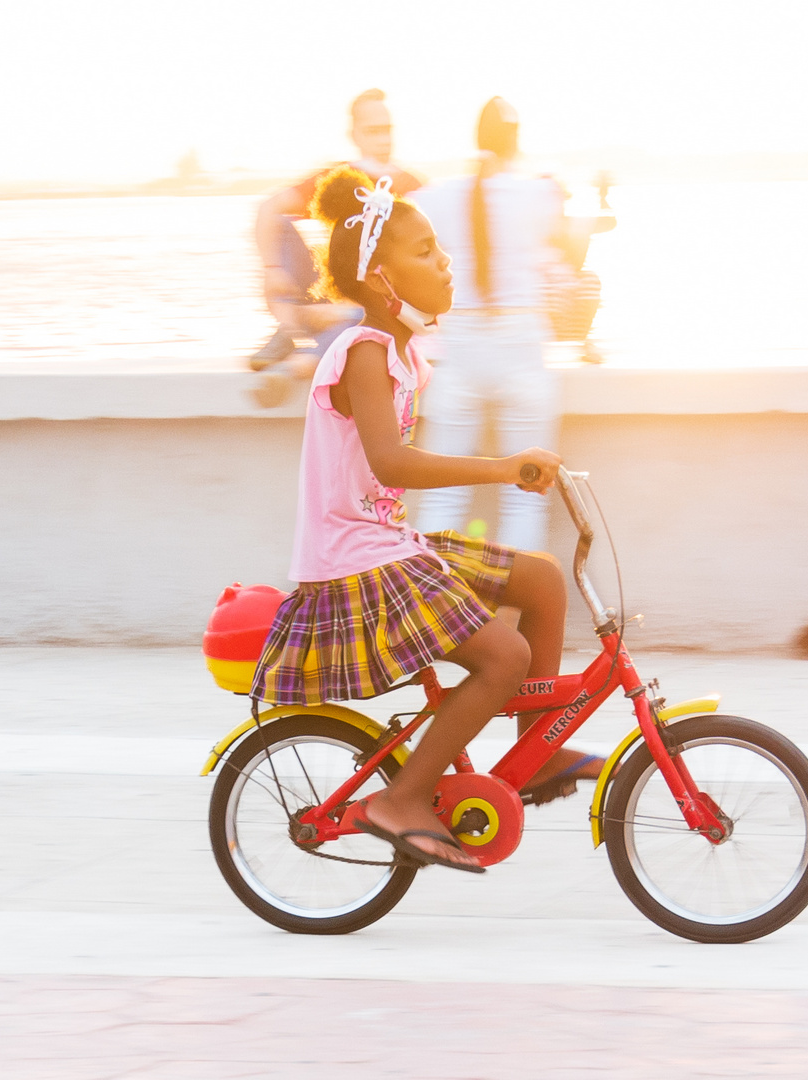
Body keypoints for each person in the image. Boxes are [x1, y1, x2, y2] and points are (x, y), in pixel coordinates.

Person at [248, 166, 599, 872]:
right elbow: (392, 463)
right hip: (350, 562)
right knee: (504, 657)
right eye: (427, 255)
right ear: (382, 278)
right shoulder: (363, 352)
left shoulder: (405, 352)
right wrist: (502, 468)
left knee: (542, 581)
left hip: (385, 543)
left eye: (442, 251)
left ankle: (540, 746)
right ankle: (401, 800)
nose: (444, 265)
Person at [411, 98, 575, 551]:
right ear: (516, 141)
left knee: (443, 498)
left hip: (459, 354)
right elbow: (571, 251)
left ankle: (435, 608)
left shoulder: (437, 196)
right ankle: (515, 614)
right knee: (526, 500)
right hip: (521, 351)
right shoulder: (540, 193)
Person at [248, 89, 424, 408]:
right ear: (354, 134)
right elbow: (267, 210)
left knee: (363, 318)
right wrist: (272, 270)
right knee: (281, 226)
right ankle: (290, 327)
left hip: (372, 302)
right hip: (328, 288)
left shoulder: (412, 187)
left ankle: (292, 368)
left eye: (388, 129)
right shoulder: (337, 177)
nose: (383, 138)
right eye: (373, 130)